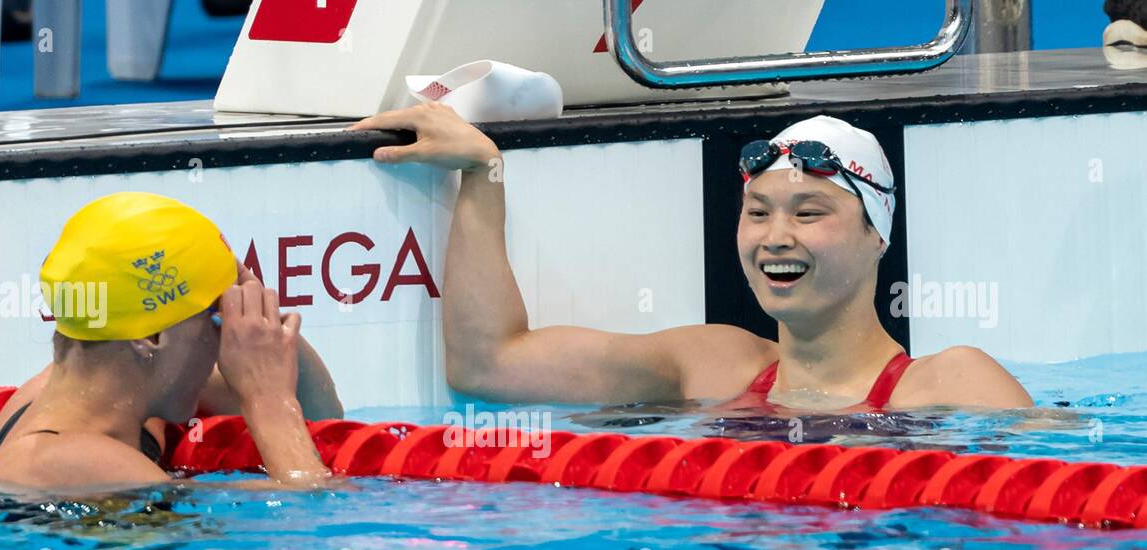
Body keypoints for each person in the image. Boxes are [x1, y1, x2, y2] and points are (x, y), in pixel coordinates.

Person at [351, 106, 1034, 412]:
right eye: (758, 211)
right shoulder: (713, 365)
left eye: (809, 213)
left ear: (877, 235)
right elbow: (488, 366)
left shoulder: (952, 384)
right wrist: (482, 173)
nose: (775, 237)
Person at [0, 192, 331, 492]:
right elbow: (310, 517)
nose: (226, 336)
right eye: (216, 317)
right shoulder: (75, 462)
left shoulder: (100, 386)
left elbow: (320, 413)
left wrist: (252, 305)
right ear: (151, 337)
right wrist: (268, 400)